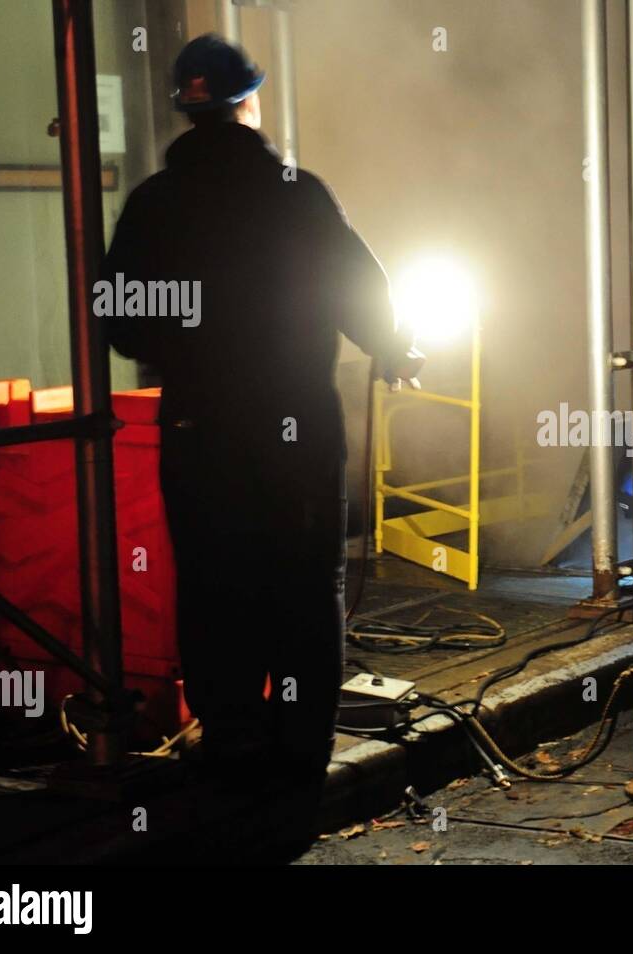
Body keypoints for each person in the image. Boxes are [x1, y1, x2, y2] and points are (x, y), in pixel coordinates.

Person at [100, 34, 422, 781]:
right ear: (250, 101)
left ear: (186, 109)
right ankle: (301, 747)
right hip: (298, 429)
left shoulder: (152, 204)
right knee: (305, 581)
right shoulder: (297, 192)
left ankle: (234, 737)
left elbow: (117, 324)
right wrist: (393, 349)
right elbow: (361, 295)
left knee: (214, 581)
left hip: (197, 429)